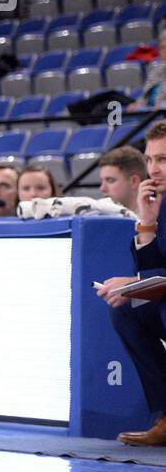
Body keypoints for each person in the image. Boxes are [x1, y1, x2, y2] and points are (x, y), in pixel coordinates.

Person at [95, 121, 166, 445]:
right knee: (127, 312)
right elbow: (156, 270)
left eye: (162, 159)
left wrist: (135, 282)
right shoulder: (159, 201)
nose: (154, 169)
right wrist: (147, 225)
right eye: (150, 160)